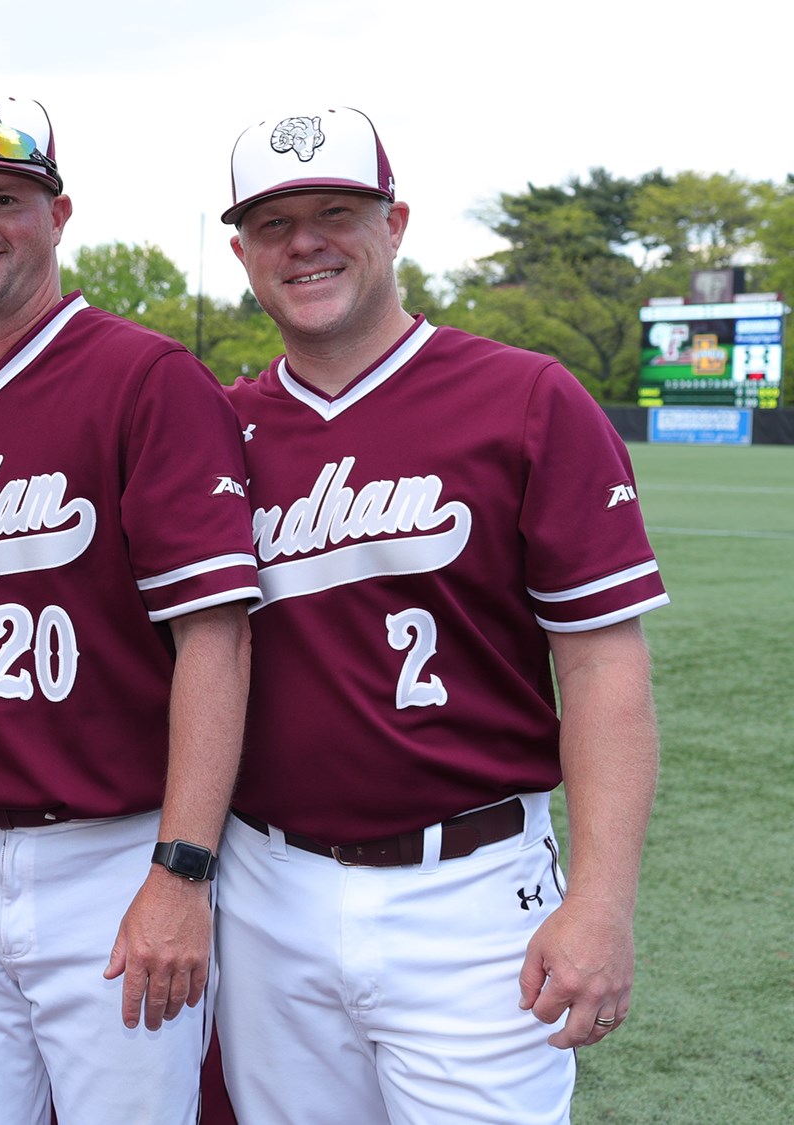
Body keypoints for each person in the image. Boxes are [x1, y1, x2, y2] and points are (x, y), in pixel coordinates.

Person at [215, 106, 667, 1123]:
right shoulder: (218, 426)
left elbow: (601, 669)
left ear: (395, 223)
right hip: (264, 885)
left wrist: (598, 904)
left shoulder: (526, 399)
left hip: (467, 892)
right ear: (239, 249)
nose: (305, 243)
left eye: (335, 211)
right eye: (273, 223)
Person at [0, 97, 258, 1124]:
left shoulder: (146, 378)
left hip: (114, 851)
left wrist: (180, 869)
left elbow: (214, 639)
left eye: (4, 198)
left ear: (57, 214)